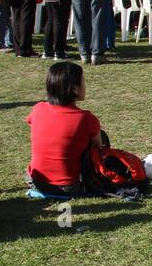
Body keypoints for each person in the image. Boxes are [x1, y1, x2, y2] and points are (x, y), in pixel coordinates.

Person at [25, 61, 102, 197]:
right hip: (68, 186)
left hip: (36, 181)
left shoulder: (38, 108)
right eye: (83, 81)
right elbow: (99, 147)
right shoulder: (86, 118)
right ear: (75, 88)